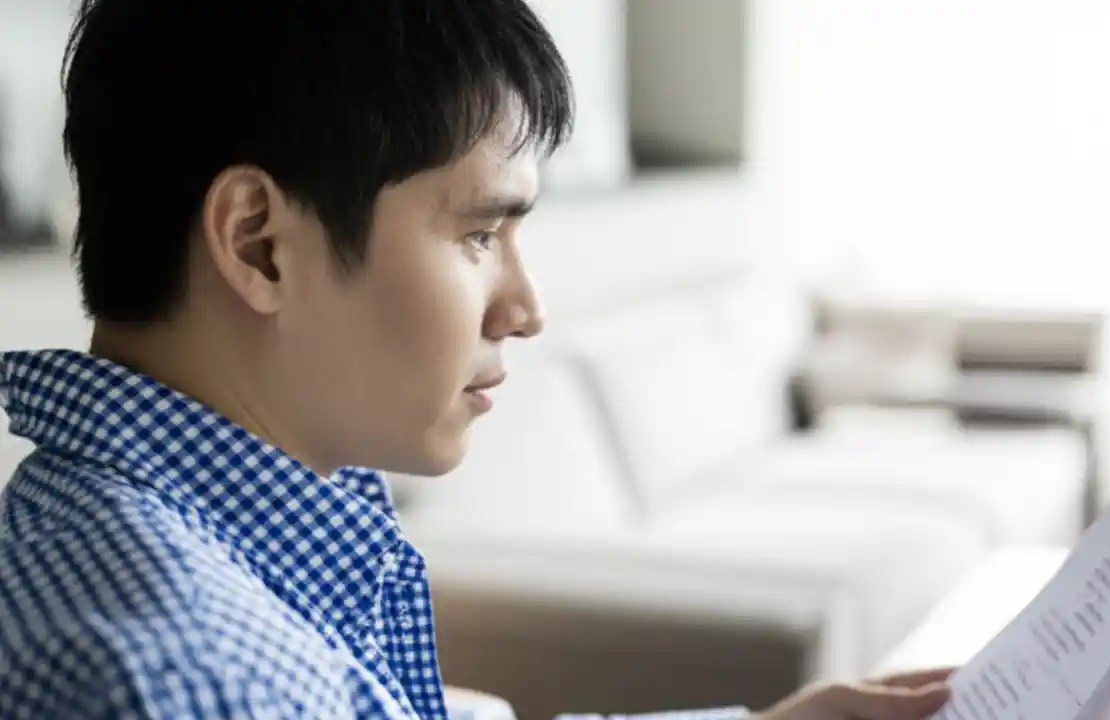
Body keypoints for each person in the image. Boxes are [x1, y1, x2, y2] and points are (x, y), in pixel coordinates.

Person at [0, 1, 953, 718]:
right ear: (258, 244)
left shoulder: (142, 532)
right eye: (478, 234)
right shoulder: (186, 679)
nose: (527, 309)